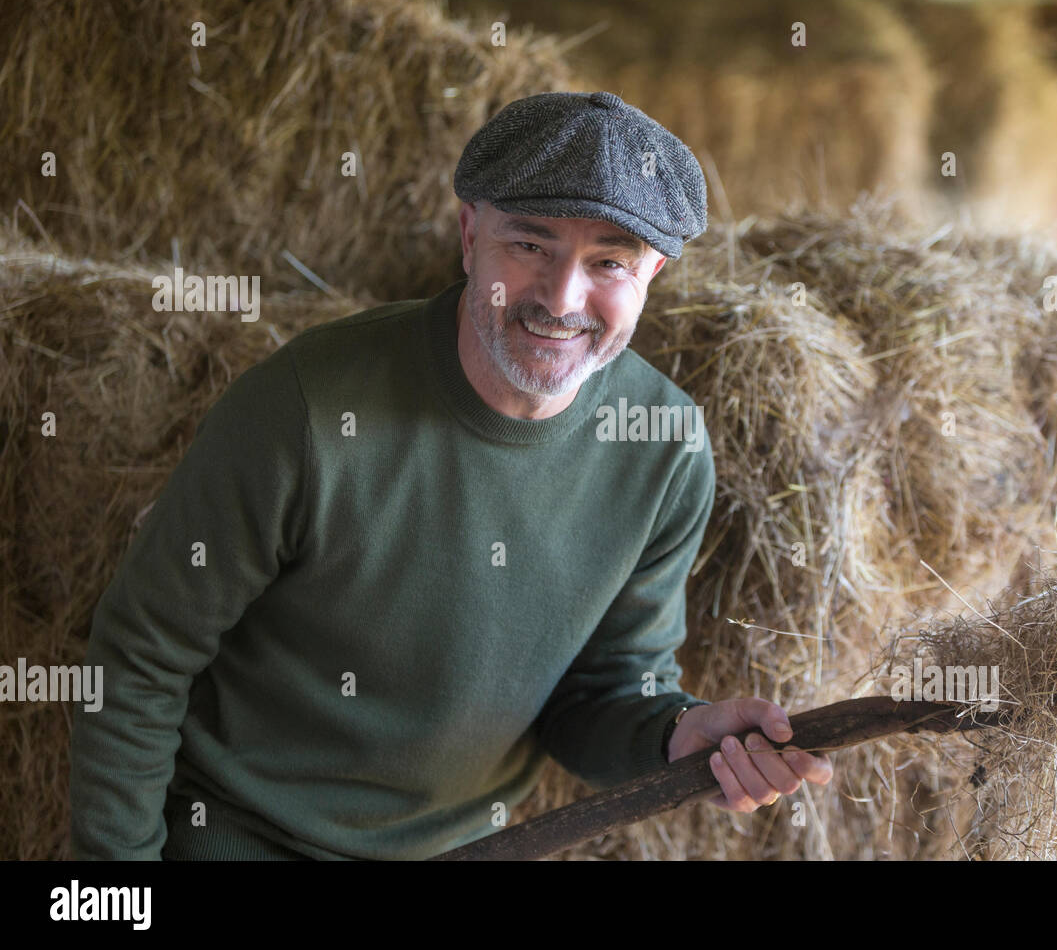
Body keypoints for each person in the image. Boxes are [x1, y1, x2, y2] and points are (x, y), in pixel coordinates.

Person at [70, 90, 832, 860]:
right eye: (529, 246)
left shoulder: (664, 449)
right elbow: (141, 656)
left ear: (654, 273)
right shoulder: (305, 408)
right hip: (249, 837)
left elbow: (602, 694)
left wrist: (675, 731)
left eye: (609, 262)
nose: (562, 299)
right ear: (470, 236)